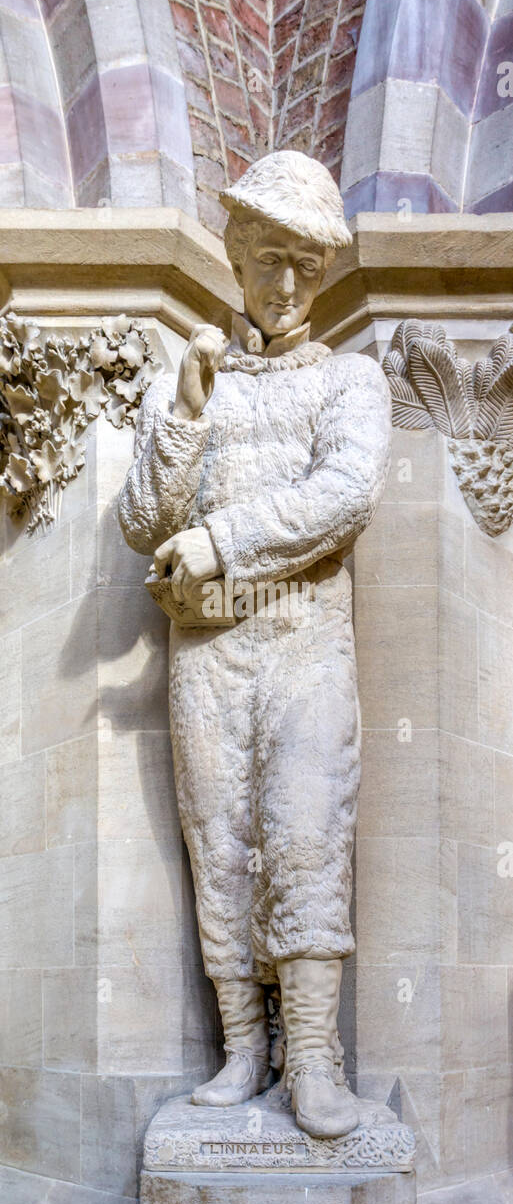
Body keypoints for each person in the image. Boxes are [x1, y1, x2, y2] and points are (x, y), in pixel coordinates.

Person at [119, 151, 392, 1138]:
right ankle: (244, 1052)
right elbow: (144, 520)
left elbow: (345, 496)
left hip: (303, 644)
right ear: (233, 251)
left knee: (305, 830)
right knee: (220, 844)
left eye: (307, 267)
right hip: (207, 655)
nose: (285, 285)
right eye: (269, 258)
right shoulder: (189, 380)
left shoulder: (352, 381)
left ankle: (313, 1059)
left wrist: (224, 538)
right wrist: (186, 410)